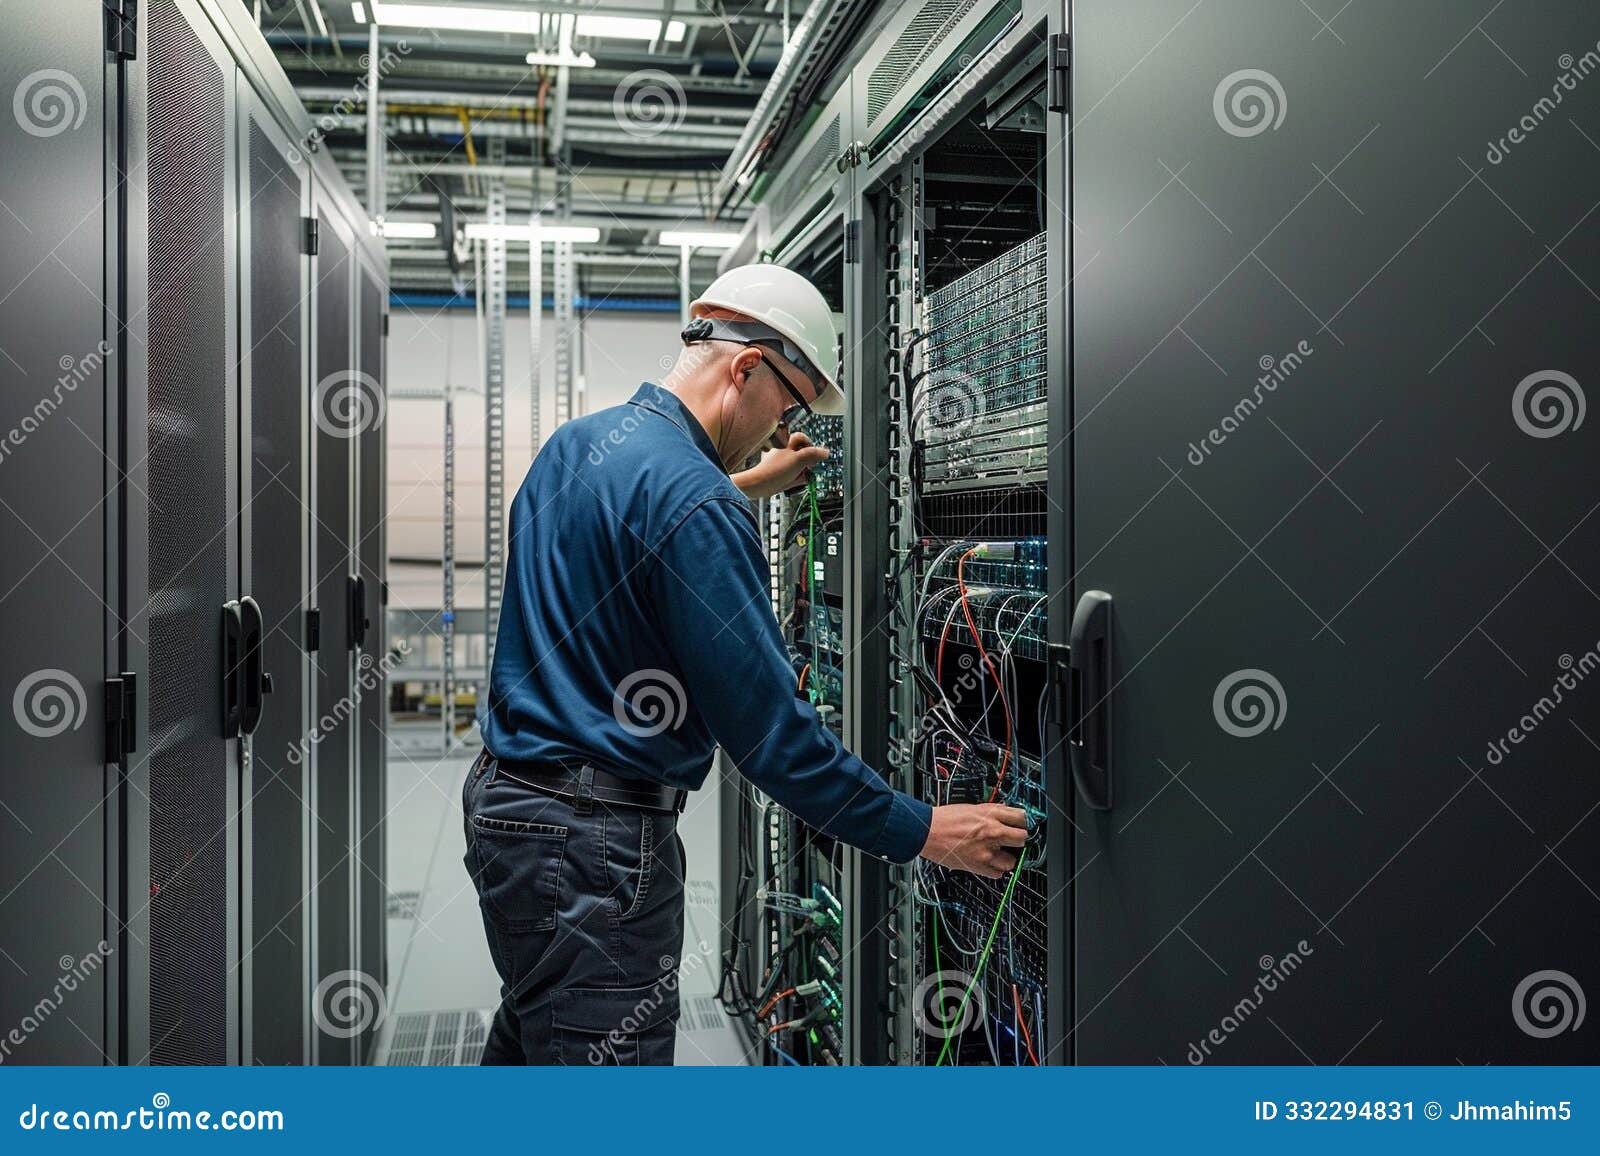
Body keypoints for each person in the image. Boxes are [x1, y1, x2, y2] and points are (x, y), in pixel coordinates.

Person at [462, 263, 1028, 1065]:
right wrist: (924, 830)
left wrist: (744, 485)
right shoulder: (698, 503)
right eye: (787, 406)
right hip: (594, 847)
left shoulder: (579, 446)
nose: (781, 427)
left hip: (511, 813)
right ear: (748, 368)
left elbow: (640, 514)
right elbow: (772, 740)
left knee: (538, 1037)